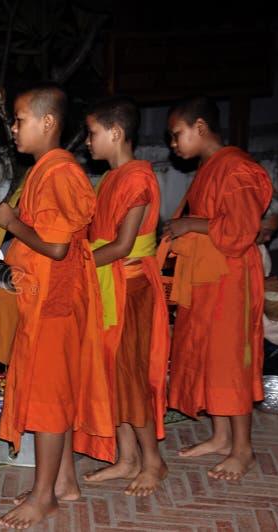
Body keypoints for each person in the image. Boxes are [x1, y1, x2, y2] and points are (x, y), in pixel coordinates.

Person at [0, 83, 113, 529]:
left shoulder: (58, 173)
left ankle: (44, 497)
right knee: (54, 394)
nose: (13, 128)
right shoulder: (48, 168)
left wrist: (11, 222)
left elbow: (57, 247)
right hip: (51, 297)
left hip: (55, 302)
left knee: (47, 400)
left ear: (47, 123)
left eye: (20, 120)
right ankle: (64, 483)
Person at [163, 95, 272, 481]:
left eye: (177, 135)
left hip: (232, 280)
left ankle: (243, 450)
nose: (173, 145)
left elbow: (241, 231)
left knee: (231, 361)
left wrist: (190, 225)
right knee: (210, 357)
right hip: (208, 280)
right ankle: (222, 437)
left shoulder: (235, 168)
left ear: (200, 127)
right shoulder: (211, 167)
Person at [81, 96, 169, 496]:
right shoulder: (111, 179)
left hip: (130, 287)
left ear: (116, 133)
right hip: (108, 284)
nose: (87, 141)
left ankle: (154, 462)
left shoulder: (137, 178)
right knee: (112, 371)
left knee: (131, 374)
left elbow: (122, 245)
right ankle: (127, 458)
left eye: (92, 133)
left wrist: (75, 267)